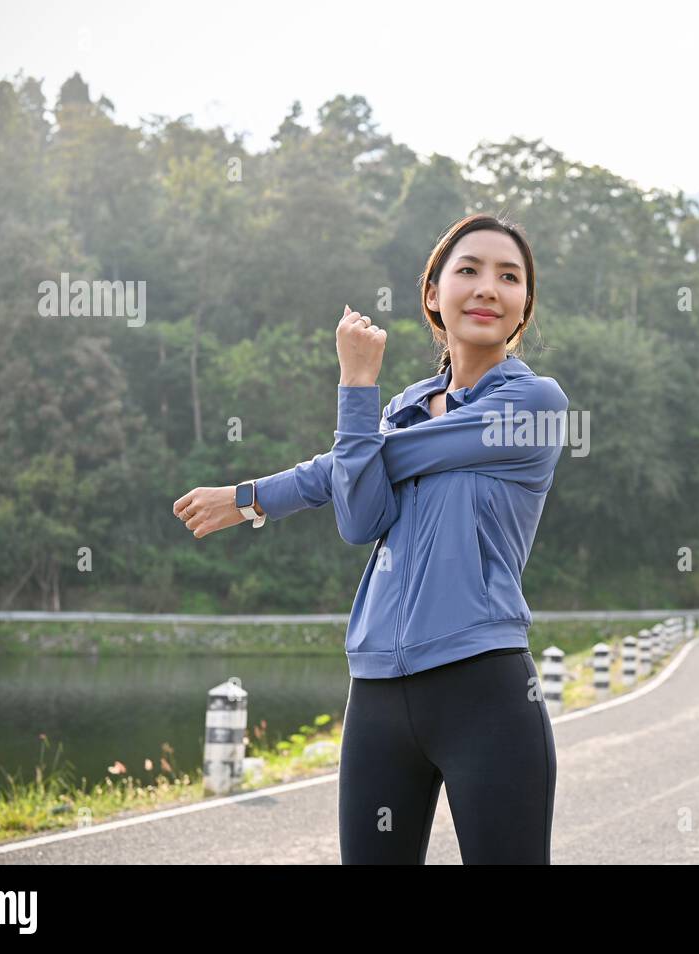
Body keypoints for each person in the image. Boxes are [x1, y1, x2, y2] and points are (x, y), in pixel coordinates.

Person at [172, 214, 568, 864]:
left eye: (509, 276)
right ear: (433, 294)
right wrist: (252, 497)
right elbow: (358, 520)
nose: (488, 287)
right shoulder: (402, 410)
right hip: (377, 696)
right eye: (468, 270)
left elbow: (366, 462)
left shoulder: (534, 406)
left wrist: (353, 391)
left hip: (486, 693)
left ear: (524, 307)